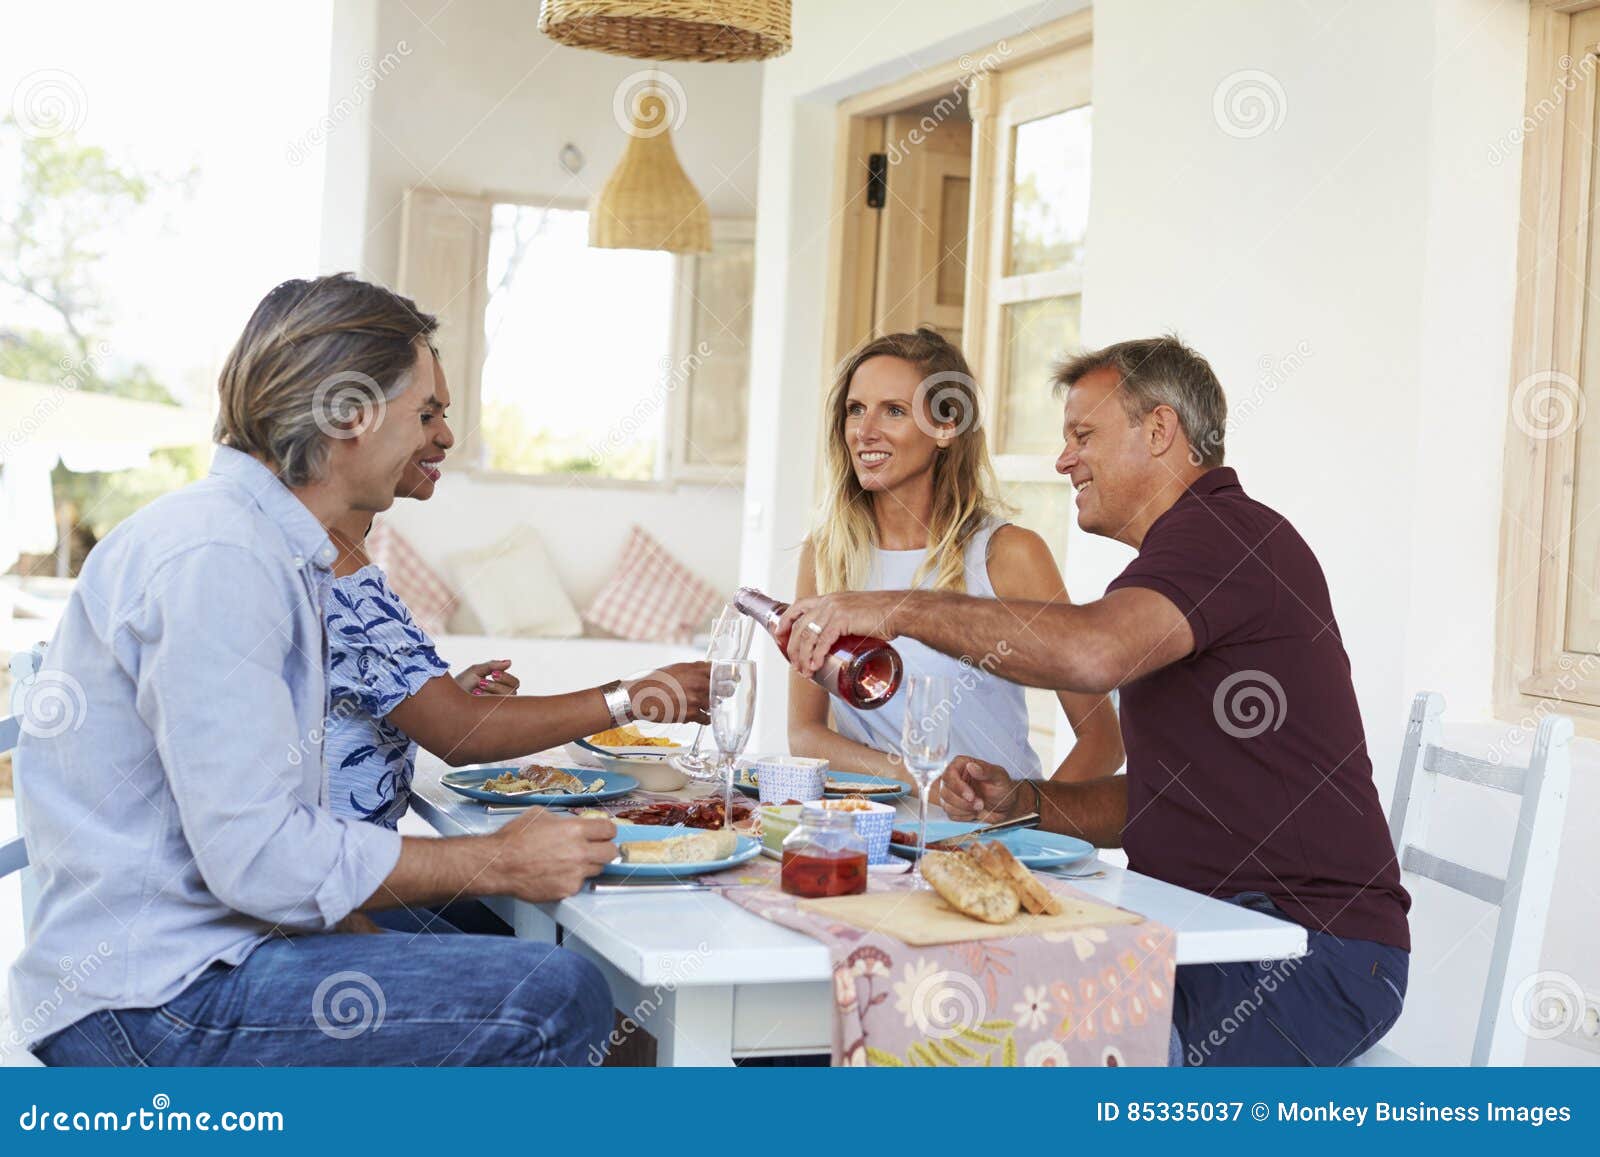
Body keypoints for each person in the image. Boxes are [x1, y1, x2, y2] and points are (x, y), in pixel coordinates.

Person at [8, 274, 698, 1066]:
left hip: (204, 953)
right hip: (155, 1005)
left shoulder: (267, 546)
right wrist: (498, 856)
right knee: (555, 992)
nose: (441, 438)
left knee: (509, 931)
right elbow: (262, 861)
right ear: (347, 416)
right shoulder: (221, 560)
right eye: (423, 413)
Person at [775, 335, 1410, 1067]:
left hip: (1310, 951)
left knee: (990, 1037)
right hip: (1213, 926)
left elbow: (1090, 653)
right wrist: (1022, 799)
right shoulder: (1175, 564)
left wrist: (896, 609)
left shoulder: (1226, 536)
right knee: (938, 1011)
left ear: (1161, 430)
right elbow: (1161, 797)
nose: (1064, 459)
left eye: (1083, 435)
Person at [789, 328, 1122, 788]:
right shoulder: (827, 555)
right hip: (876, 832)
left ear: (946, 428)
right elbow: (804, 734)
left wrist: (1023, 826)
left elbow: (1103, 740)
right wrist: (917, 778)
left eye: (894, 411)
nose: (865, 432)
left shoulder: (1008, 556)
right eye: (855, 410)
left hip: (991, 844)